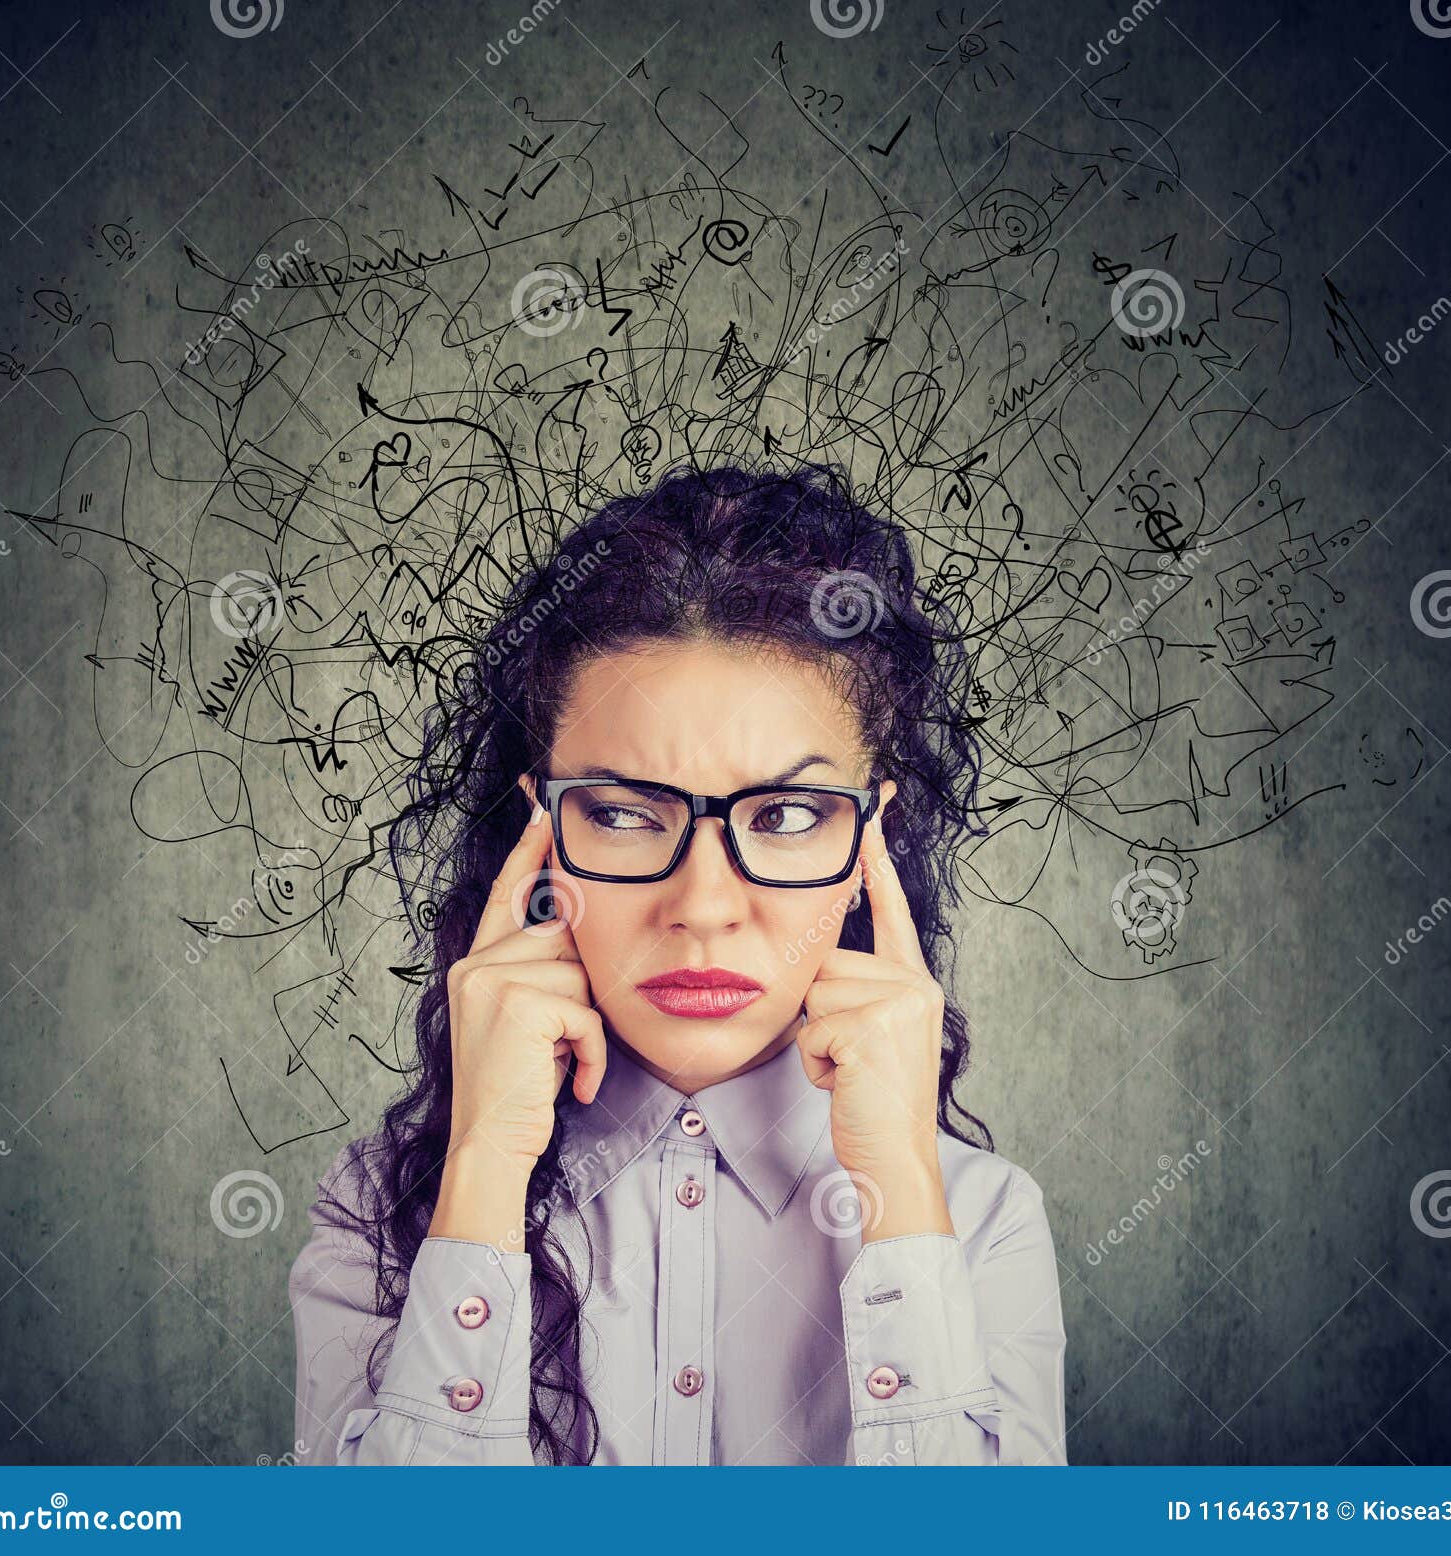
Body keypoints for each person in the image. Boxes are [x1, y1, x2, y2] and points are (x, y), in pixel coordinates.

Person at [288, 463, 1066, 1465]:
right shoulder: (385, 1207)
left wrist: (902, 1203)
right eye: (619, 812)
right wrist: (480, 1174)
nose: (701, 906)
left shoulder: (978, 1217)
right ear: (539, 833)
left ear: (871, 838)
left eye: (786, 815)